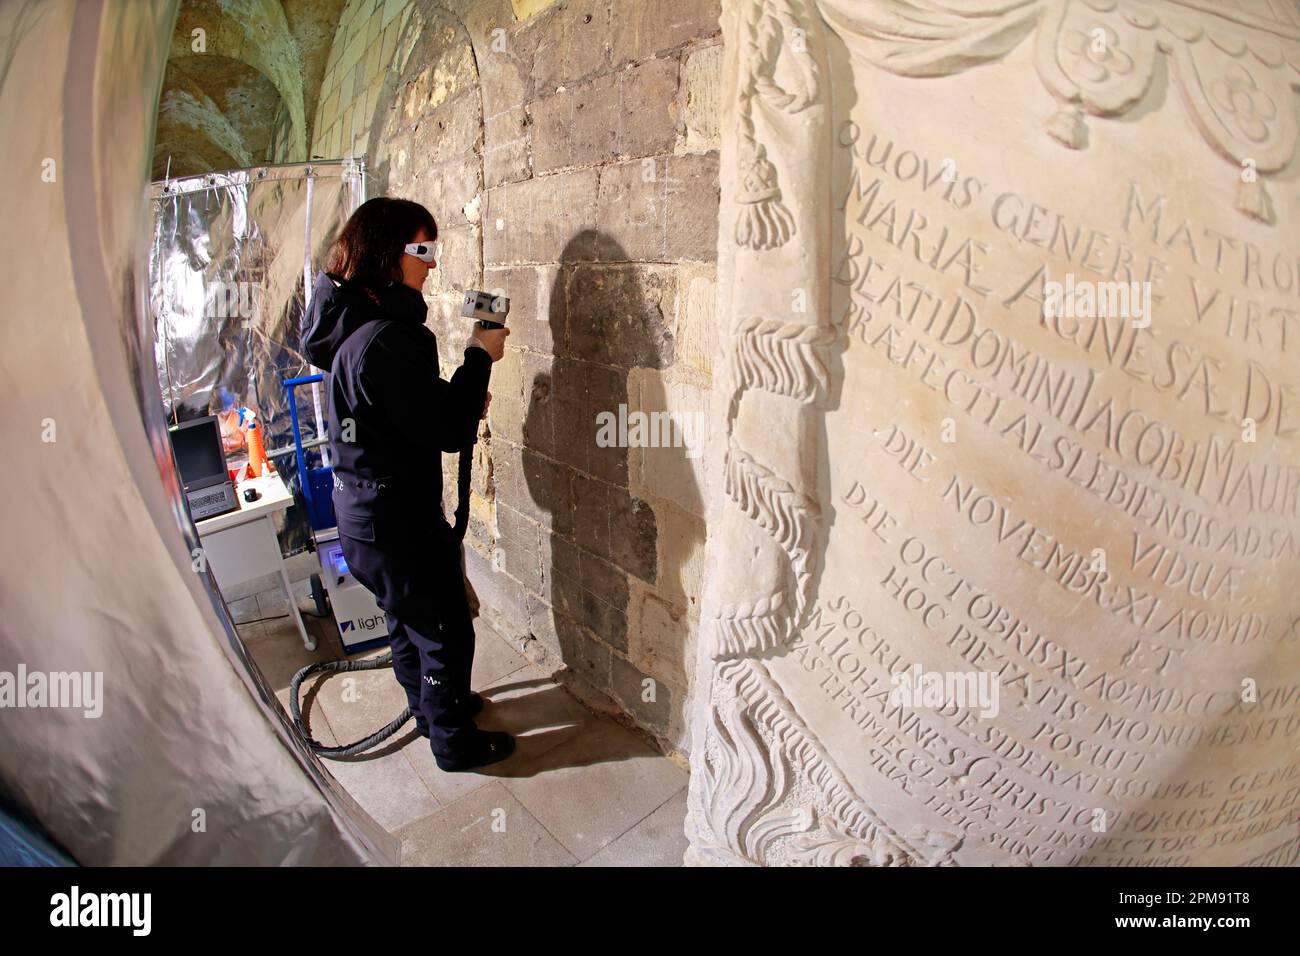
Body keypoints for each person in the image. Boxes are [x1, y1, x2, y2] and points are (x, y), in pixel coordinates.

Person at [303, 197, 514, 772]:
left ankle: (429, 708)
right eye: (423, 251)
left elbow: (403, 415)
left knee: (407, 621)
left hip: (367, 521)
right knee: (443, 632)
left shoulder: (356, 328)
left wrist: (453, 399)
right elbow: (446, 430)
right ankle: (453, 741)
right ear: (389, 256)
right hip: (397, 522)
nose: (432, 264)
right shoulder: (390, 338)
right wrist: (479, 355)